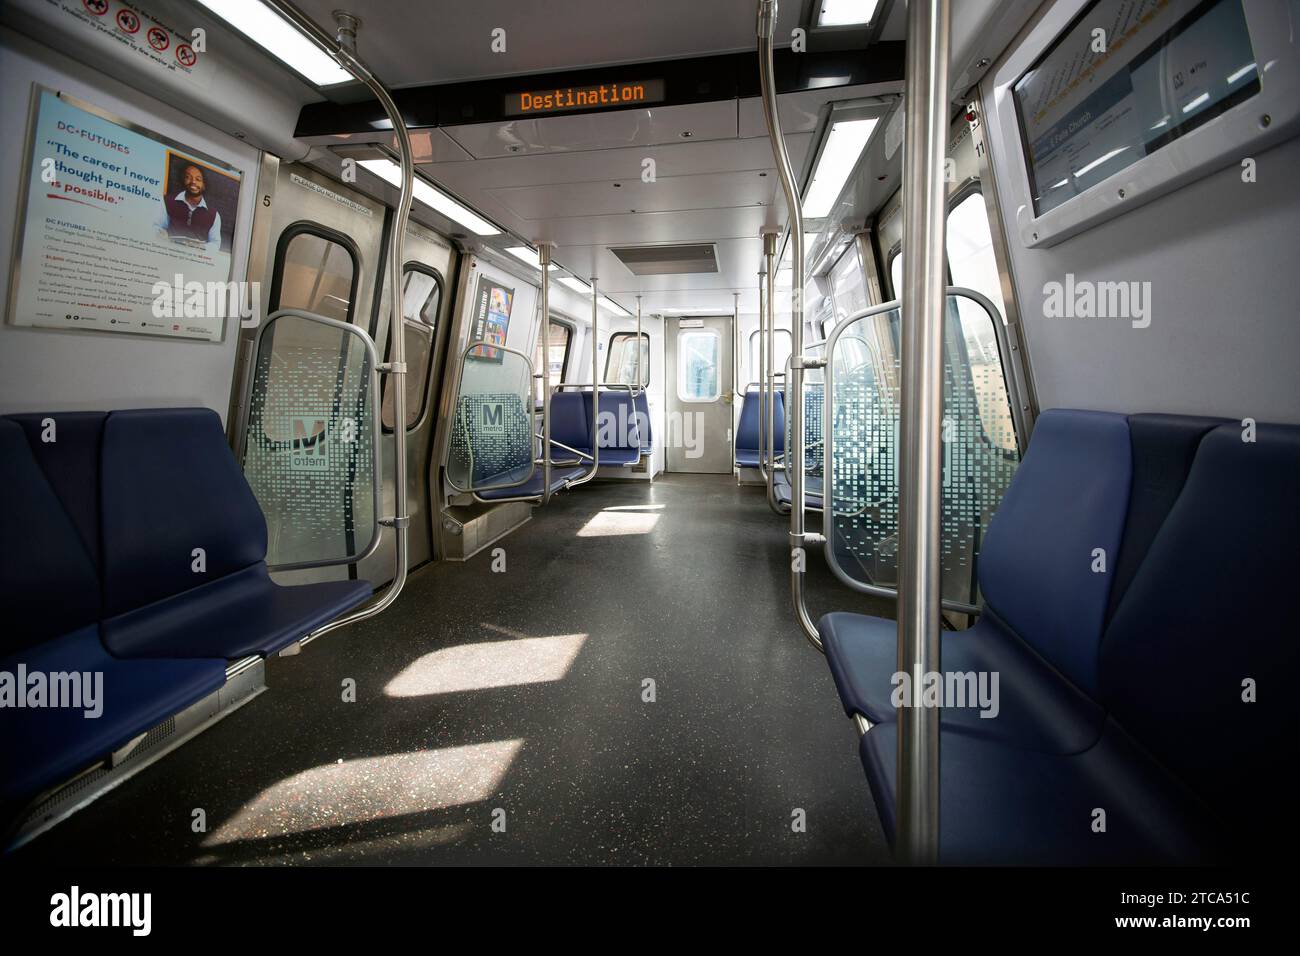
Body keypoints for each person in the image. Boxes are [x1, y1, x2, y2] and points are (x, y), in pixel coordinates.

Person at [156, 163, 221, 252]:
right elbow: (156, 227)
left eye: (198, 179)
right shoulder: (166, 201)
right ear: (183, 180)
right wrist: (162, 236)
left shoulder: (214, 215)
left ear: (204, 185)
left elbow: (215, 244)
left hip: (195, 261)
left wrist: (201, 247)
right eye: (188, 177)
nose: (193, 182)